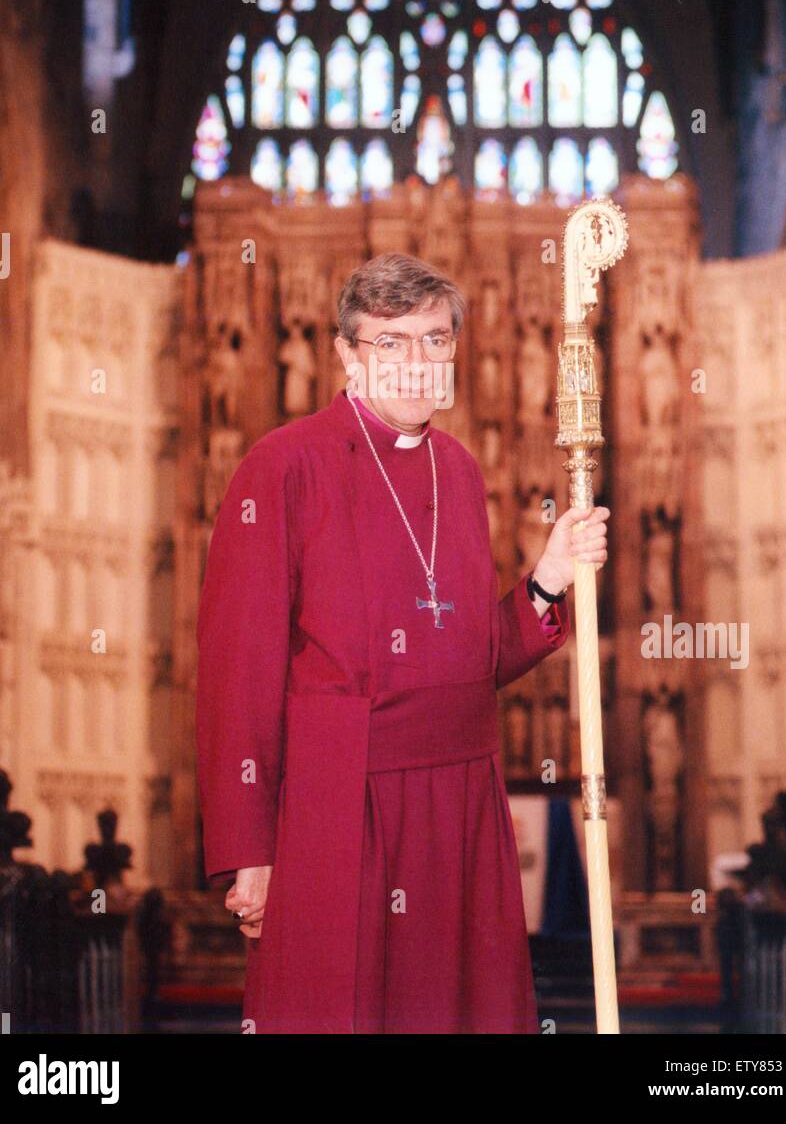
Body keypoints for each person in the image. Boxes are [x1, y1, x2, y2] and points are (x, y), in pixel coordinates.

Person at [196, 252, 609, 1034]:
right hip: (342, 798)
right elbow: (234, 673)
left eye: (433, 340)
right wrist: (250, 849)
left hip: (461, 794)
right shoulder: (281, 466)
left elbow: (470, 655)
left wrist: (547, 578)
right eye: (390, 343)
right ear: (348, 355)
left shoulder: (457, 470)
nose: (416, 363)